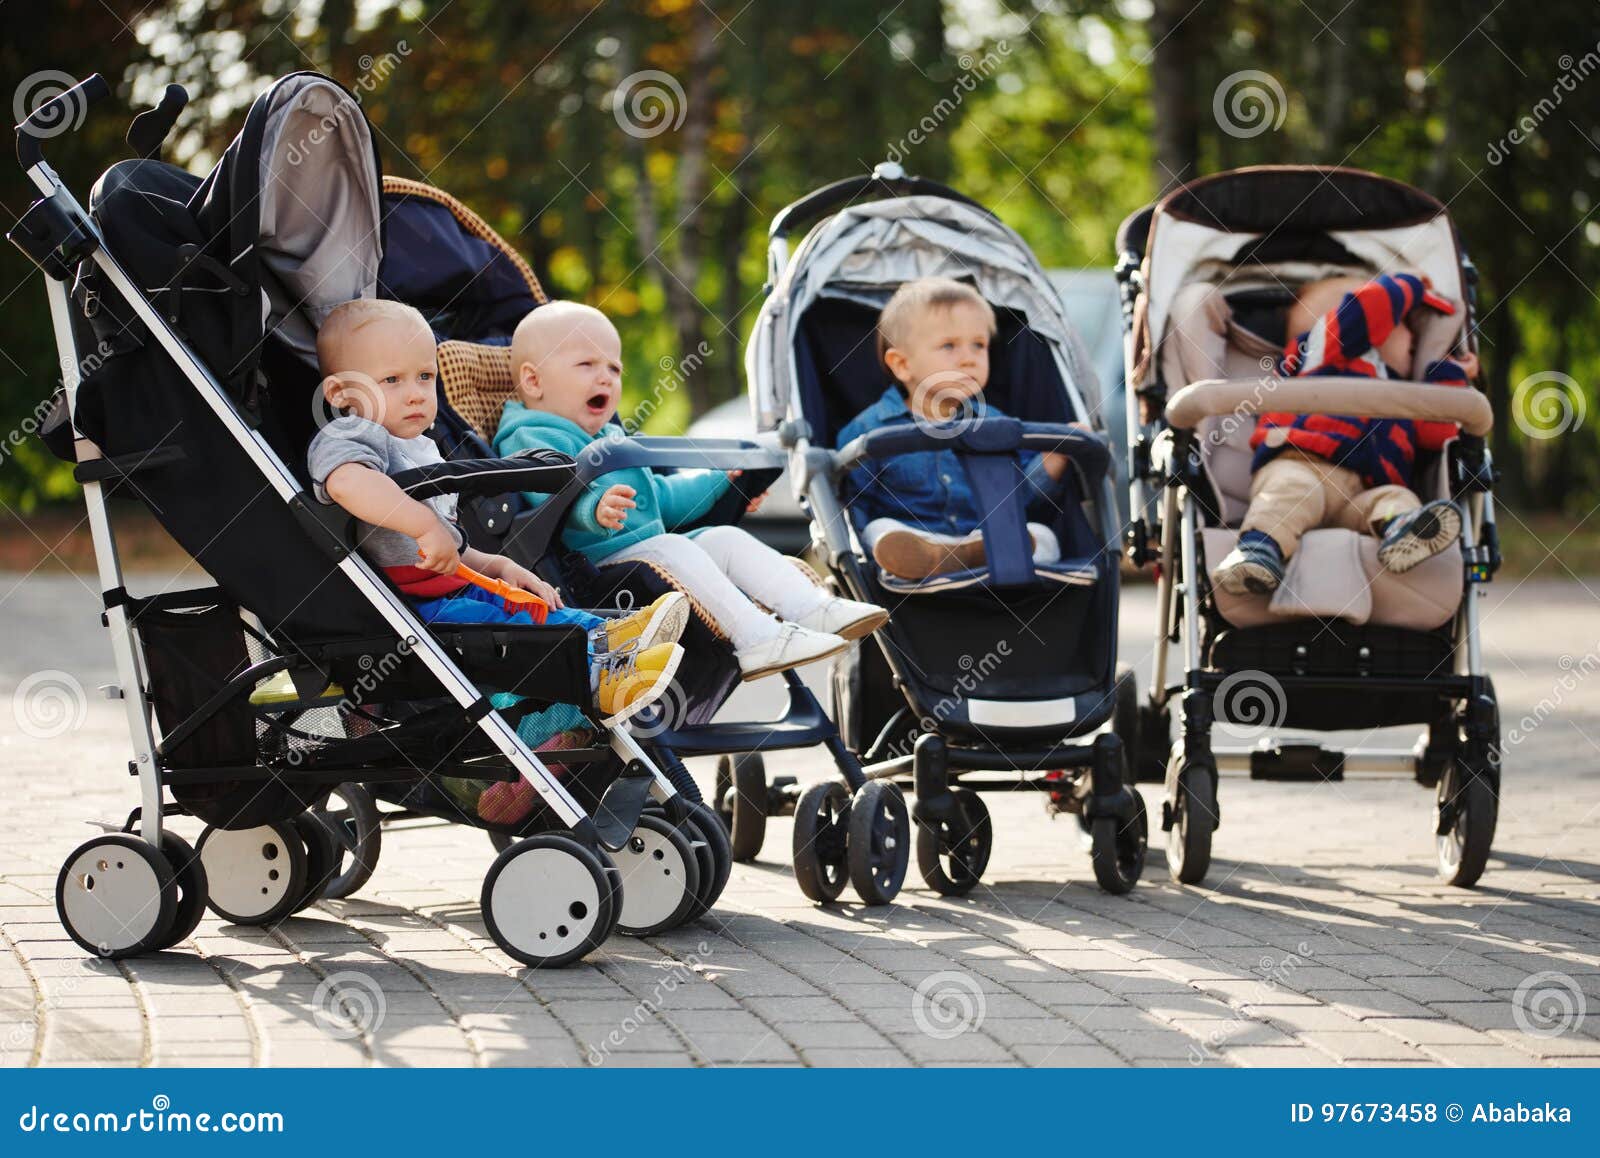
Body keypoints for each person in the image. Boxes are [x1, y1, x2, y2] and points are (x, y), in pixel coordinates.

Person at [308, 298, 686, 726]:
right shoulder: (353, 432)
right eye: (393, 379)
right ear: (342, 394)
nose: (415, 393)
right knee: (505, 628)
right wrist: (422, 522)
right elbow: (346, 482)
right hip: (411, 610)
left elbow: (444, 543)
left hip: (451, 584)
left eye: (425, 376)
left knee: (531, 604)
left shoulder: (420, 445)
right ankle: (602, 677)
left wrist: (493, 563)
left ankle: (613, 640)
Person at [494, 301, 887, 682]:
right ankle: (757, 638)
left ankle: (812, 608)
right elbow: (544, 491)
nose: (606, 378)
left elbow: (661, 498)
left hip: (647, 556)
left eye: (614, 368)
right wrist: (591, 507)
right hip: (592, 573)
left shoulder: (613, 439)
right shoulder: (531, 435)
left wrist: (721, 482)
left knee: (725, 538)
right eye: (587, 364)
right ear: (533, 380)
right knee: (675, 548)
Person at [1211, 272, 1480, 596]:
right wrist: (1410, 284)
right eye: (1405, 324)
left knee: (1398, 499)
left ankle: (1401, 530)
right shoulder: (1322, 351)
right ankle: (1257, 550)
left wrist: (1445, 375)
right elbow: (1366, 311)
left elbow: (1439, 432)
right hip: (1303, 463)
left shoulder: (1404, 394)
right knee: (1287, 493)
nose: (1413, 337)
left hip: (1363, 495)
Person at [836, 276, 1071, 580]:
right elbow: (853, 504)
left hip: (985, 537)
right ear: (902, 364)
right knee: (876, 531)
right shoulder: (871, 429)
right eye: (949, 345)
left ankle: (967, 556)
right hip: (914, 539)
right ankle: (936, 559)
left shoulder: (995, 423)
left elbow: (1020, 495)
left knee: (1044, 537)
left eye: (979, 345)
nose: (968, 359)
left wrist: (1056, 456)